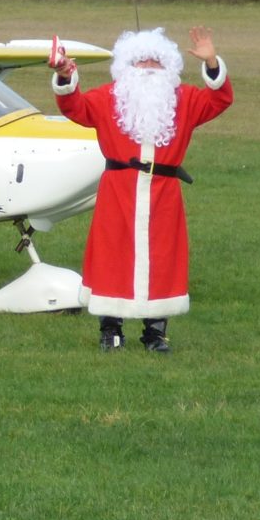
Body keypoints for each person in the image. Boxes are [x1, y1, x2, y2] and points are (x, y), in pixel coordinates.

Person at [53, 26, 232, 353]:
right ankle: (110, 330)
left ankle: (155, 333)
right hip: (118, 192)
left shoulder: (185, 99)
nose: (148, 68)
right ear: (126, 66)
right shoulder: (108, 98)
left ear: (168, 67)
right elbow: (74, 108)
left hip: (164, 193)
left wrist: (211, 63)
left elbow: (220, 99)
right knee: (112, 257)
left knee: (163, 259)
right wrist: (66, 77)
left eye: (156, 62)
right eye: (141, 61)